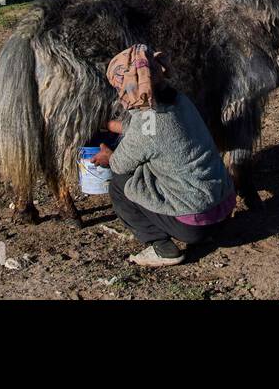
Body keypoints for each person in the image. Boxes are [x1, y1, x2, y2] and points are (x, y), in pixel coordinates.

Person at [91, 44, 236, 268]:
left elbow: (119, 163)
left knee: (120, 183)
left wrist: (108, 156)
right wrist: (111, 126)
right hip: (224, 206)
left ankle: (161, 247)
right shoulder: (179, 100)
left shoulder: (148, 122)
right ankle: (207, 230)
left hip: (194, 223)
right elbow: (155, 135)